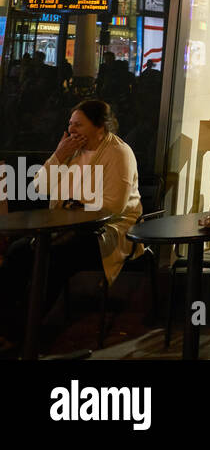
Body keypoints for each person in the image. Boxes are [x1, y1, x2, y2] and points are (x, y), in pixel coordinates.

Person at [0, 100, 142, 356]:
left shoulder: (118, 153)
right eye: (70, 124)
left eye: (79, 124)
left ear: (100, 127)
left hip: (105, 232)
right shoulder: (72, 151)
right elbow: (39, 187)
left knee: (55, 260)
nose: (71, 129)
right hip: (63, 227)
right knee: (18, 252)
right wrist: (59, 155)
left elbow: (115, 205)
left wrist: (76, 208)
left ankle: (20, 335)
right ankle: (5, 325)